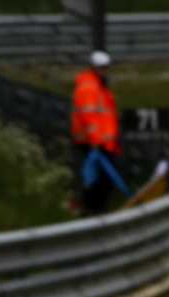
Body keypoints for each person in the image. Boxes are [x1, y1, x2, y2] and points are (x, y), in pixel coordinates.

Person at [70, 49, 126, 215]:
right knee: (96, 181)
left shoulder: (97, 87)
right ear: (93, 67)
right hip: (94, 143)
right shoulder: (89, 88)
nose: (104, 70)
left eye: (106, 67)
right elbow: (89, 116)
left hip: (102, 142)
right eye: (101, 67)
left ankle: (95, 210)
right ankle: (93, 210)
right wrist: (97, 141)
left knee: (101, 180)